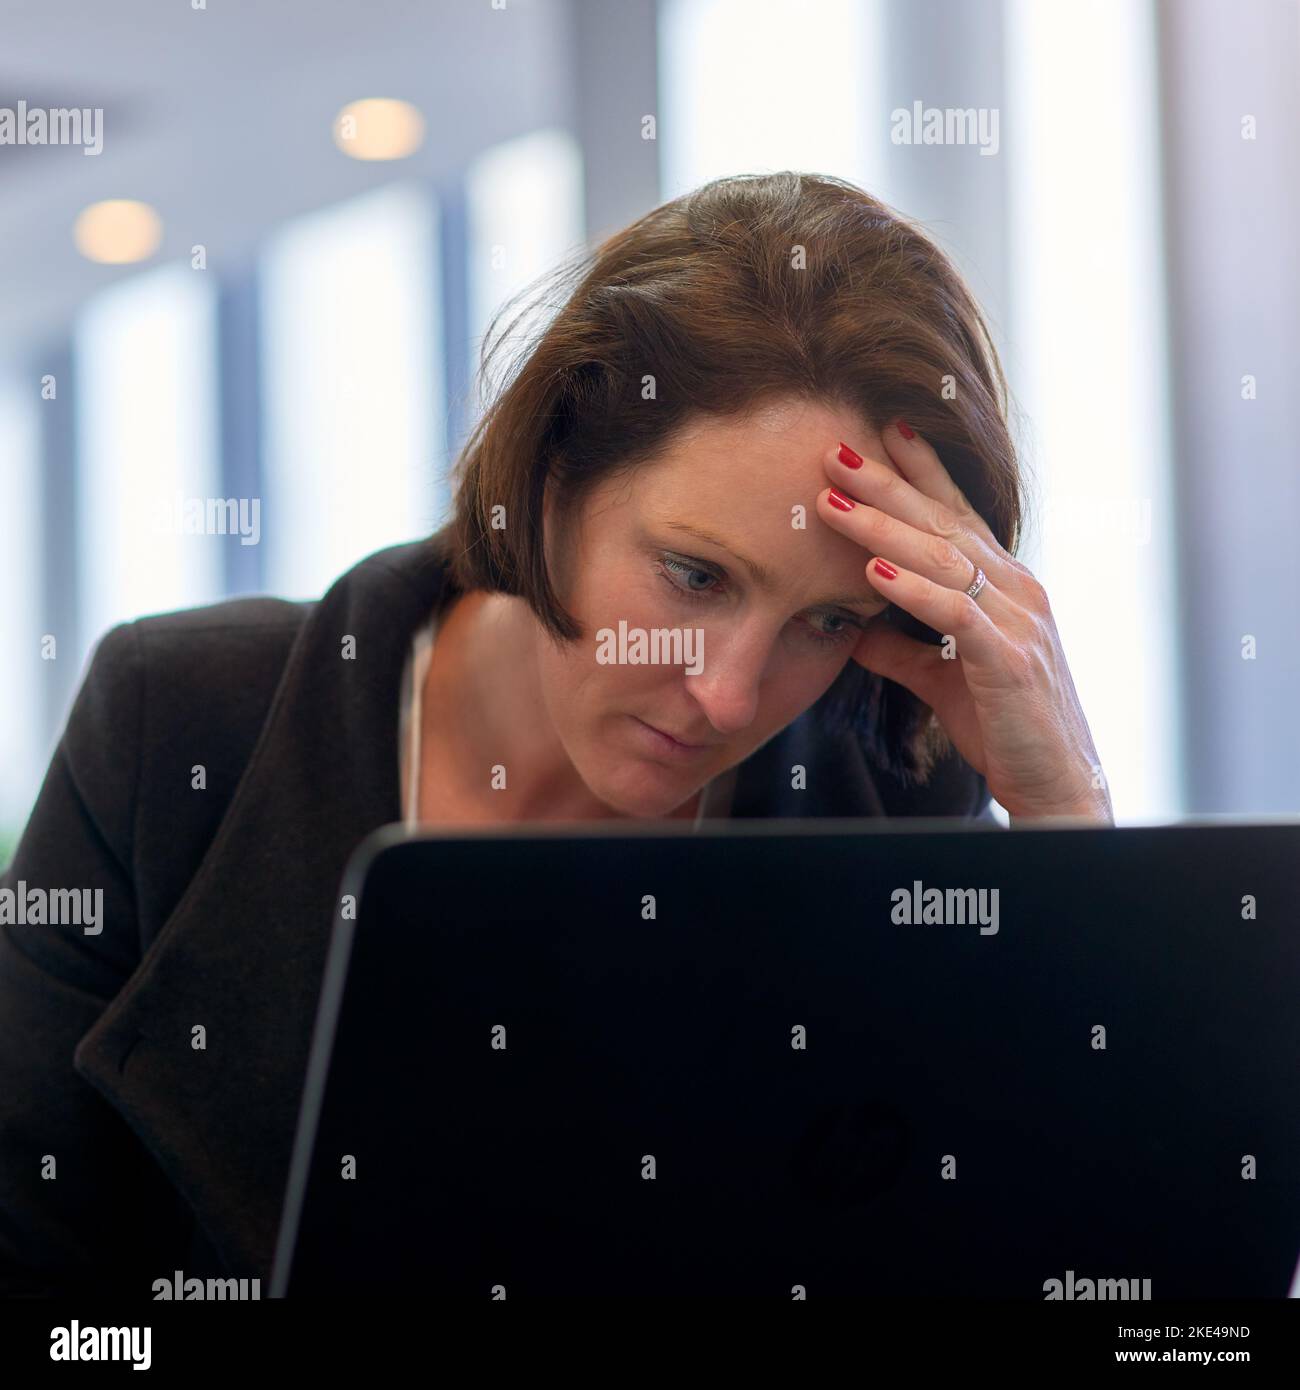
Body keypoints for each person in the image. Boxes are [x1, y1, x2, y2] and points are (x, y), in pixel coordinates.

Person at [0, 170, 1110, 1296]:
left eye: (826, 621)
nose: (728, 697)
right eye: (692, 574)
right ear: (546, 478)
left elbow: (1099, 1294)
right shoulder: (181, 724)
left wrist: (1067, 824)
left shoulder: (883, 803)